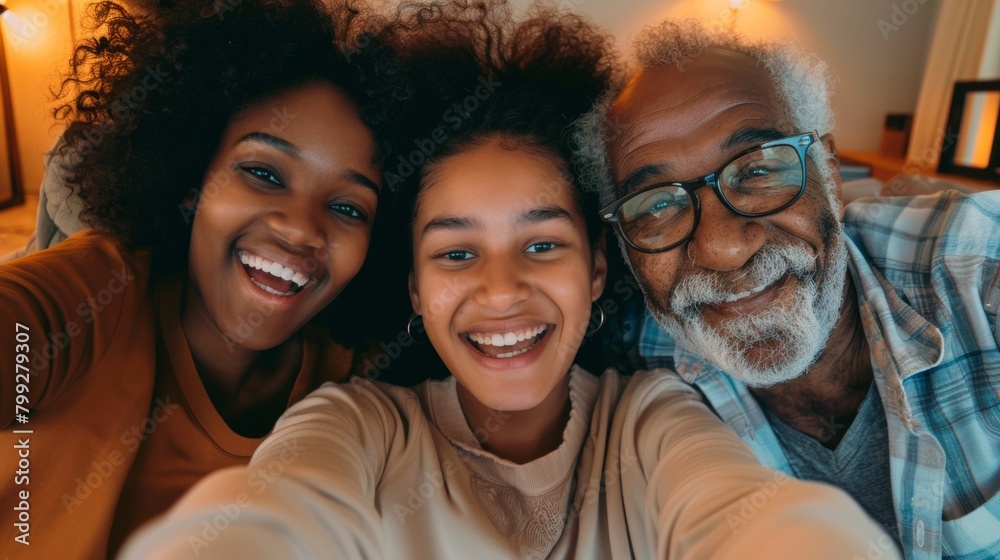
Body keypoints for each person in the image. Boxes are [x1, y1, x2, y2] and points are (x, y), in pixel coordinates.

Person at [120, 4, 896, 559]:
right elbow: (270, 516)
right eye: (456, 254)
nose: (500, 293)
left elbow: (754, 519)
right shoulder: (355, 429)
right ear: (415, 289)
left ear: (598, 267)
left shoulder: (652, 417)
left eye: (541, 245)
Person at [573, 18, 1000, 558]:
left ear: (830, 171)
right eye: (657, 203)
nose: (724, 248)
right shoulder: (627, 365)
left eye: (756, 170)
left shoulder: (978, 265)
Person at [0, 0, 409, 557]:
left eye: (349, 208)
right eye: (263, 173)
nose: (299, 229)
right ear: (192, 183)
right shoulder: (96, 290)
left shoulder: (361, 379)